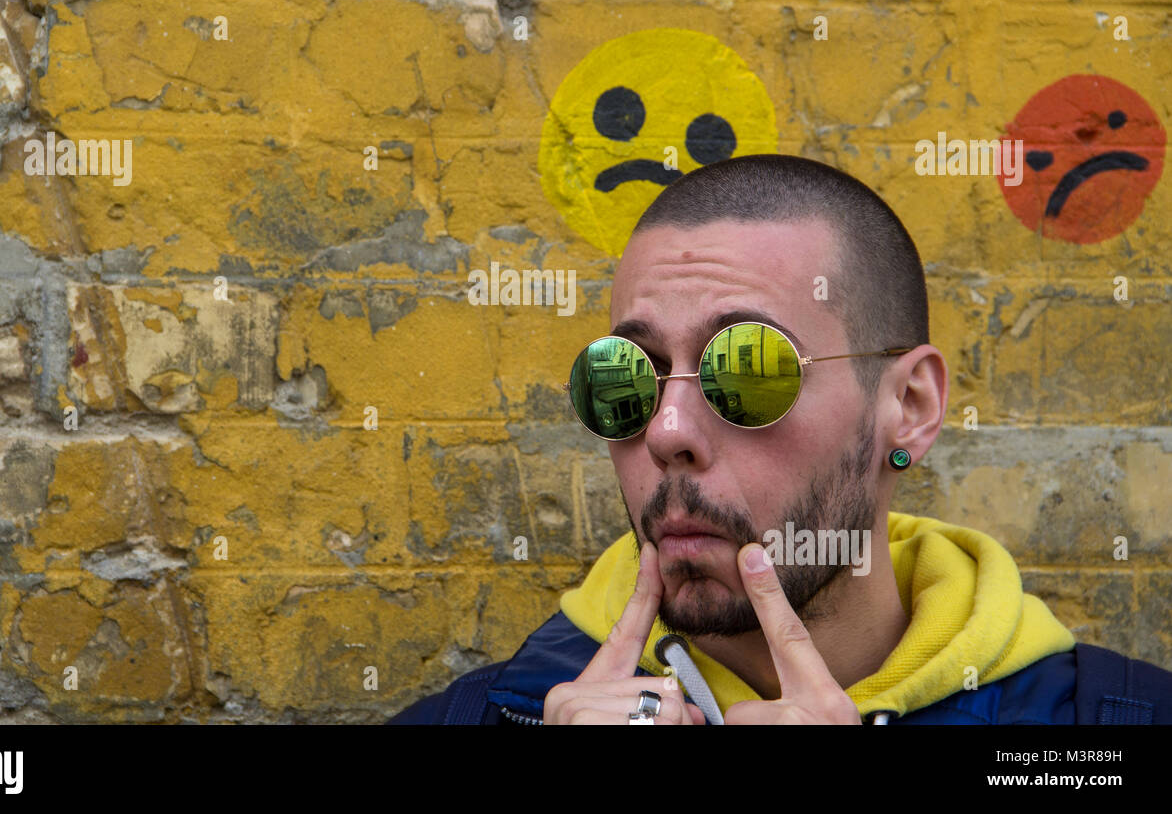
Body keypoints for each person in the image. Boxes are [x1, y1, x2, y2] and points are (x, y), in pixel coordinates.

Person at [389, 154, 1172, 725]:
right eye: (628, 377)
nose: (666, 432)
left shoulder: (1099, 732)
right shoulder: (480, 716)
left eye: (748, 368)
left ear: (910, 407)